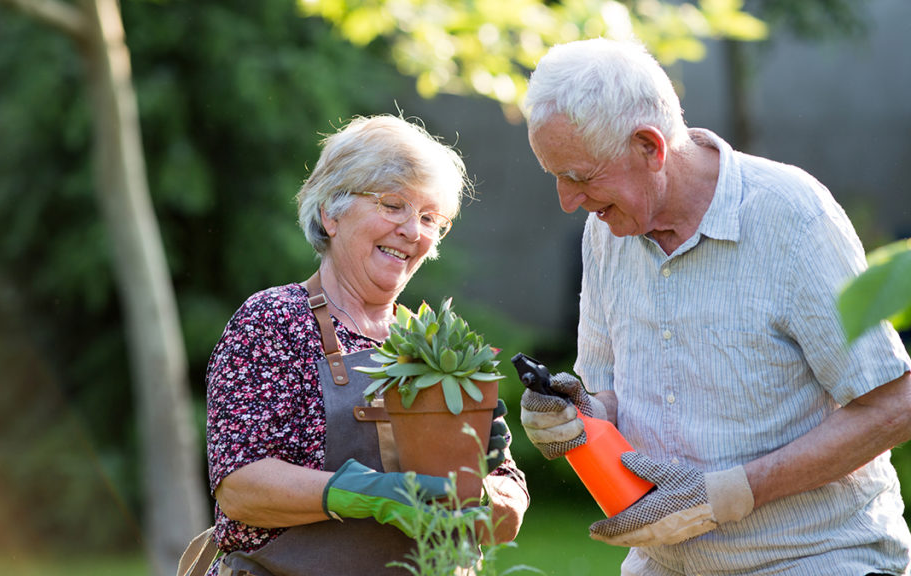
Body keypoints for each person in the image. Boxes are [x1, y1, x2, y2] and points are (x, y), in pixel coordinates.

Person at [517, 38, 911, 575]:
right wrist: (574, 416)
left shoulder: (791, 215)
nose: (567, 200)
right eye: (556, 177)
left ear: (649, 148)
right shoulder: (605, 232)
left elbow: (893, 404)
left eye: (580, 177)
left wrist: (732, 492)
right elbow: (610, 397)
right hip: (663, 561)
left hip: (813, 557)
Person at [203, 114, 530, 576]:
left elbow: (507, 510)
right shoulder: (274, 321)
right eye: (393, 205)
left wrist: (483, 489)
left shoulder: (439, 344)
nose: (413, 232)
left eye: (429, 218)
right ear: (330, 213)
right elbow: (240, 488)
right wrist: (369, 494)